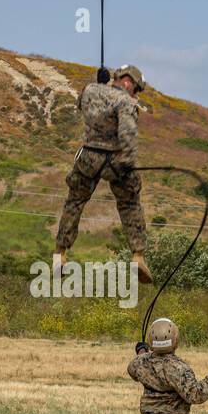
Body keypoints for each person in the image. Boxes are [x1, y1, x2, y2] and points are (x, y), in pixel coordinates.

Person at [54, 65, 153, 283]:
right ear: (128, 82)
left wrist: (98, 85)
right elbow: (128, 133)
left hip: (88, 156)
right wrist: (127, 162)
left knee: (75, 202)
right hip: (114, 160)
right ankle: (138, 256)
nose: (135, 94)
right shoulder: (125, 101)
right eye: (135, 89)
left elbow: (80, 104)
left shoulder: (89, 90)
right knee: (130, 204)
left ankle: (60, 254)